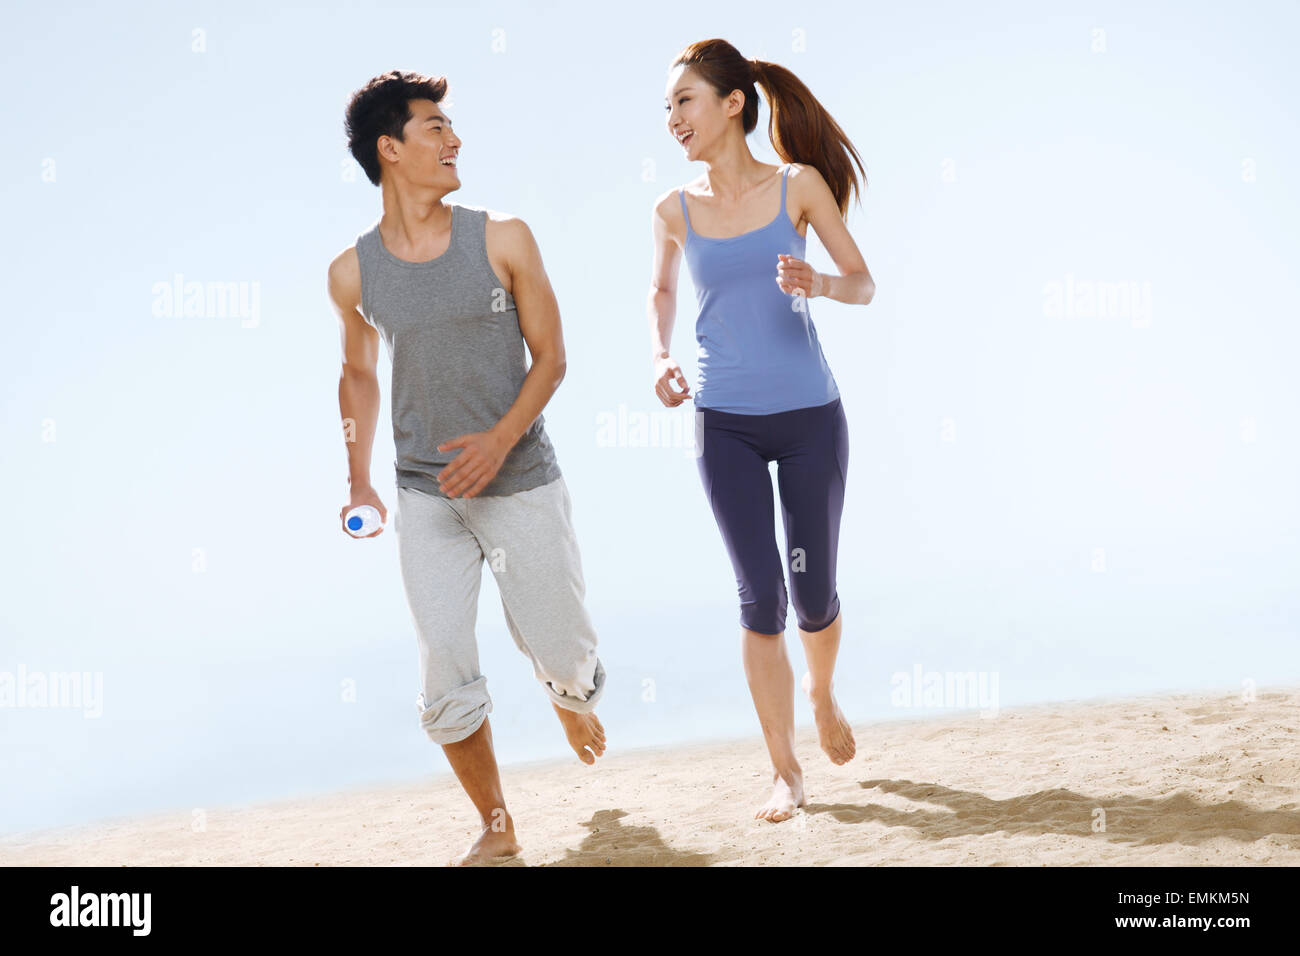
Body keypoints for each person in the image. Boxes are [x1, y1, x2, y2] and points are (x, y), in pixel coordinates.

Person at [328, 70, 607, 864]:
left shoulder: (504, 238)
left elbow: (551, 359)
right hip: (427, 495)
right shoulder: (352, 275)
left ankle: (567, 695)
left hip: (520, 480)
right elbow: (357, 375)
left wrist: (497, 440)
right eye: (436, 128)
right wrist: (358, 478)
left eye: (453, 128)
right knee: (444, 660)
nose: (455, 141)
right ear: (391, 150)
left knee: (563, 650)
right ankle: (496, 825)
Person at [648, 40, 876, 823]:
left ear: (732, 103)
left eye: (685, 101)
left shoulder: (798, 188)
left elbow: (864, 284)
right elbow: (660, 292)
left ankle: (821, 688)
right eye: (669, 106)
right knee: (760, 597)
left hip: (811, 418)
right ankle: (785, 772)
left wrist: (819, 282)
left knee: (813, 595)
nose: (673, 118)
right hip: (727, 425)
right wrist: (658, 357)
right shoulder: (673, 211)